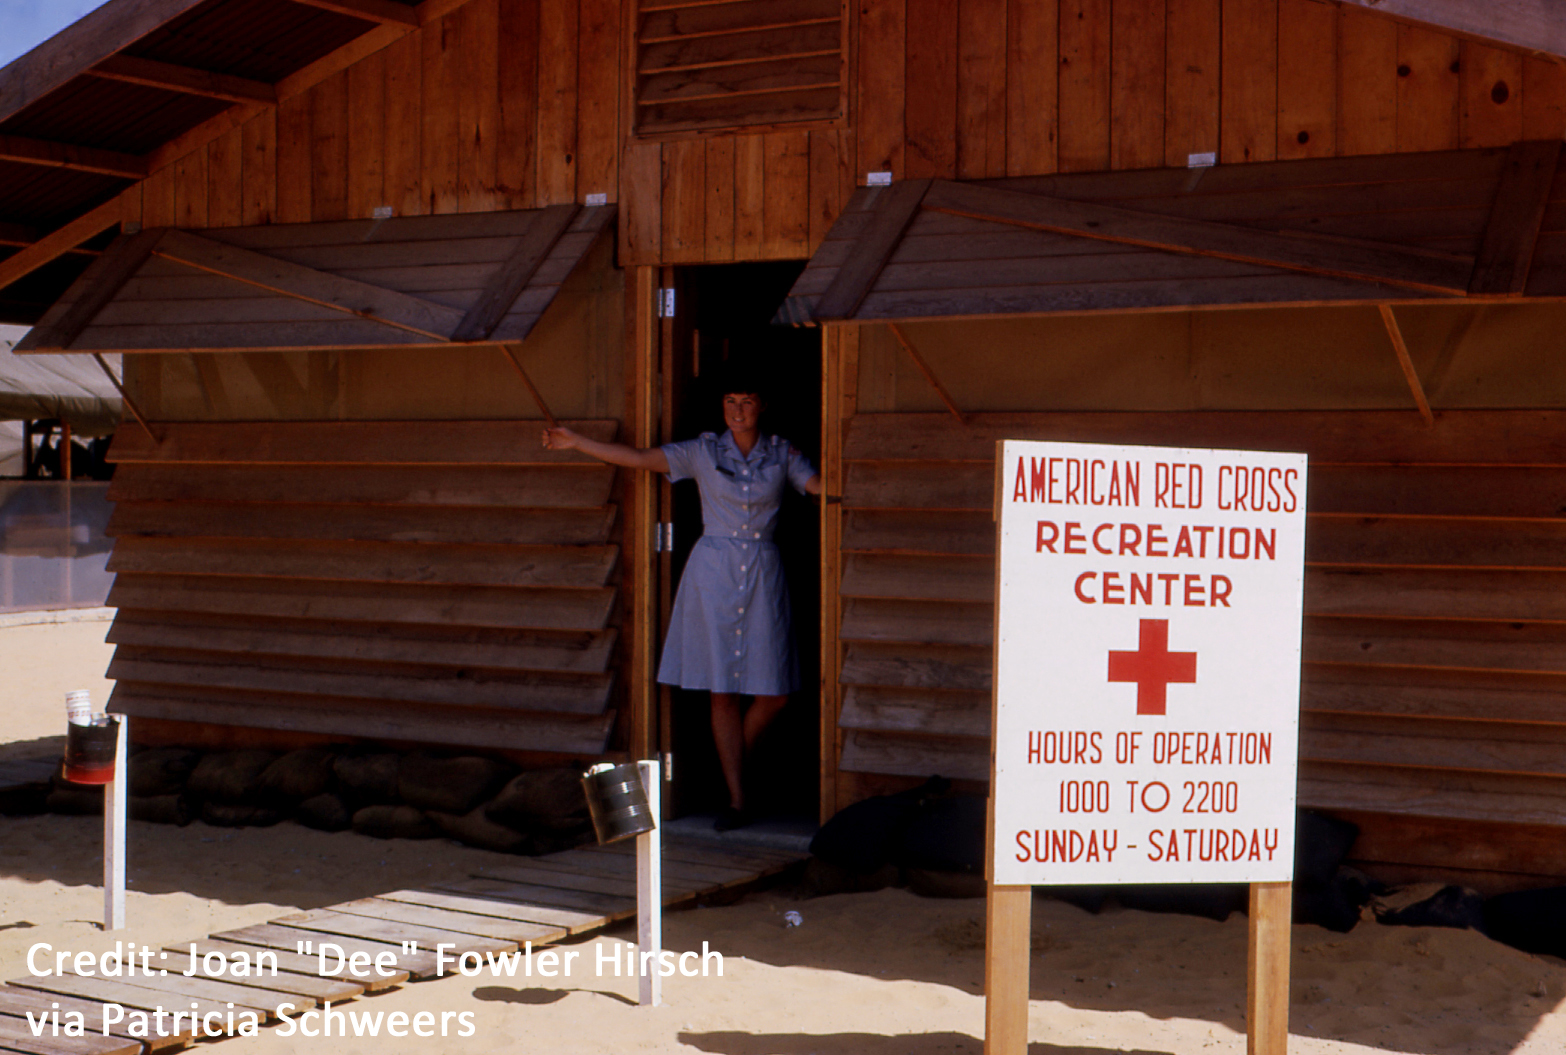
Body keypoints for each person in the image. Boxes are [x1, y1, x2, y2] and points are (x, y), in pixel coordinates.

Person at [544, 373, 821, 830]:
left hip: (764, 569)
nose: (738, 410)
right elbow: (637, 458)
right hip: (713, 572)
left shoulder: (780, 453)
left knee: (774, 694)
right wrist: (576, 442)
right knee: (722, 691)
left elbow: (817, 485)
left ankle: (731, 765)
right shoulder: (702, 451)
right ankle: (736, 798)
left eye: (747, 401)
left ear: (762, 405)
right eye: (730, 400)